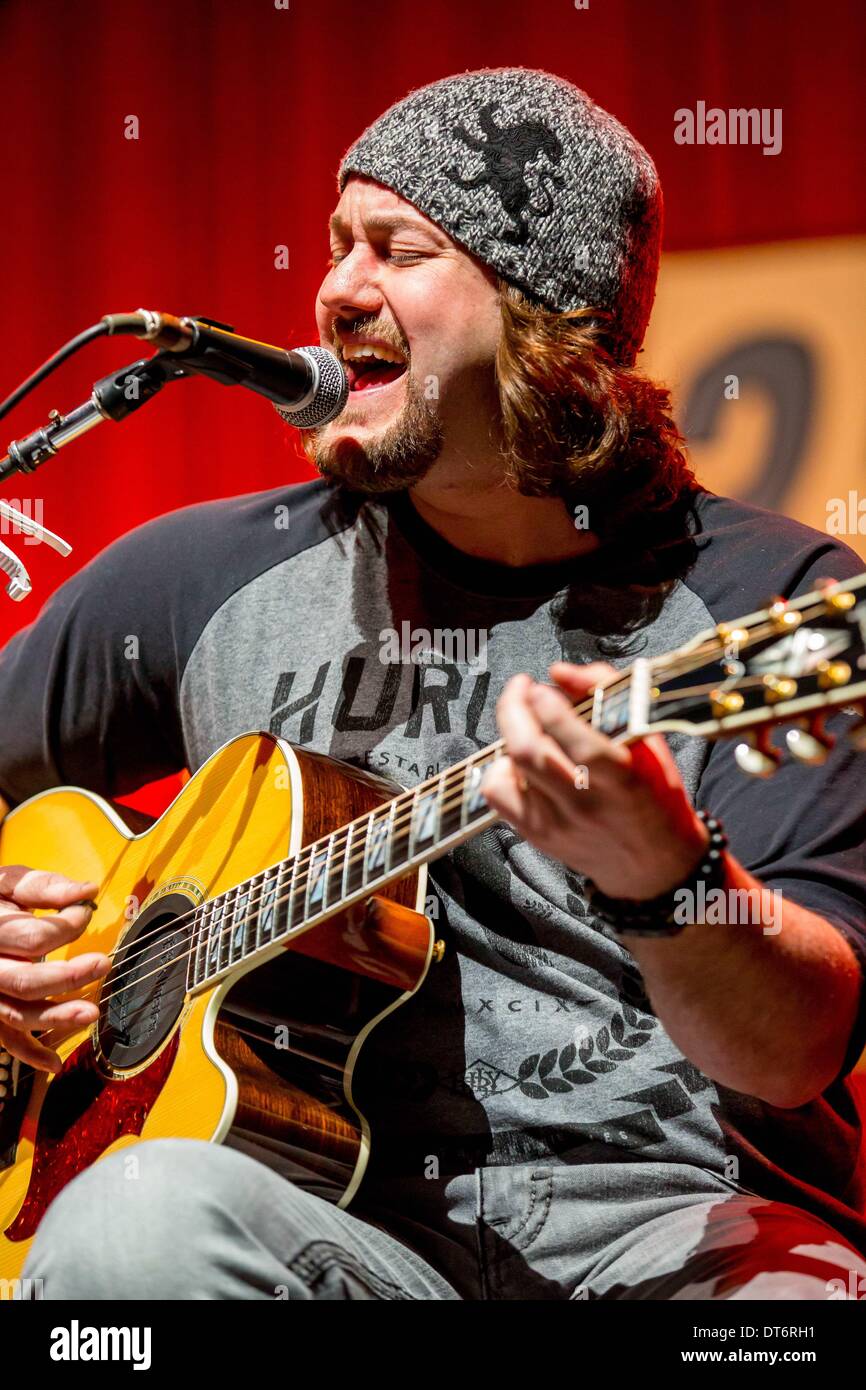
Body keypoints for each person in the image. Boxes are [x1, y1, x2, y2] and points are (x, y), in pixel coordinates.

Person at [3, 67, 866, 1300]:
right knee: (131, 1221)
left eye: (397, 248)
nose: (336, 287)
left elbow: (791, 1058)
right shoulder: (204, 579)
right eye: (337, 243)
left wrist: (664, 876)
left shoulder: (761, 604)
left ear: (540, 311)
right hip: (336, 1238)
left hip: (674, 1235)